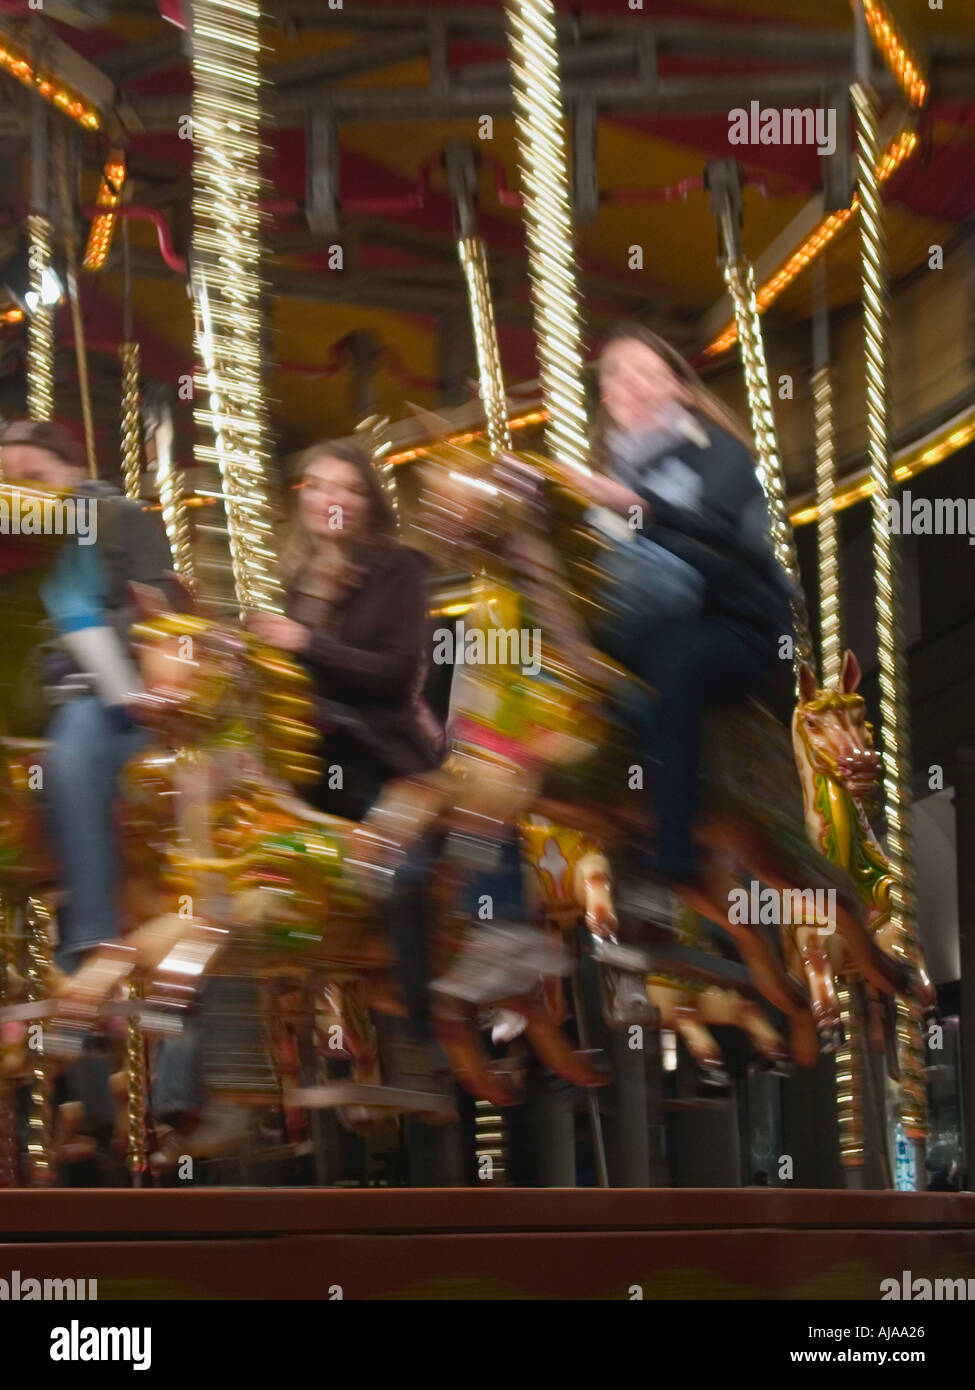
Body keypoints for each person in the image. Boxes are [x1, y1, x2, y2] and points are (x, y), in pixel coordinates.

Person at [555, 323, 795, 887]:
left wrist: (641, 509)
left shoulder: (720, 453)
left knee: (675, 665)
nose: (630, 383)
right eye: (616, 374)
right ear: (607, 398)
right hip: (639, 631)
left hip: (736, 625)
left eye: (647, 371)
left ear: (681, 389)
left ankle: (672, 853)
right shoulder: (608, 477)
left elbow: (725, 538)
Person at [0, 418, 177, 967]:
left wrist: (89, 634)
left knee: (74, 747)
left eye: (36, 474)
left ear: (73, 471)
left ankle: (90, 926)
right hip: (29, 695)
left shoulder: (117, 519)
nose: (22, 487)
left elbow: (165, 609)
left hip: (110, 697)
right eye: (7, 478)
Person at [249, 440, 443, 820]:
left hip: (373, 761)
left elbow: (397, 676)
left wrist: (306, 642)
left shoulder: (398, 569)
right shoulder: (296, 579)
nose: (328, 500)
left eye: (348, 489)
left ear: (370, 505)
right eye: (315, 485)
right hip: (310, 761)